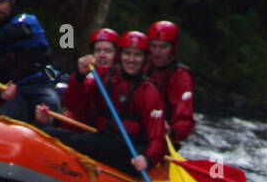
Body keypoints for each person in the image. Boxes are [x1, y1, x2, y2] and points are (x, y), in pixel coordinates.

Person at [50, 30, 165, 174]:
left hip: (128, 150)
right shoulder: (105, 75)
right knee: (48, 131)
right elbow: (74, 105)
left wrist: (148, 159)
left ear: (145, 59)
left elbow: (158, 138)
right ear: (120, 55)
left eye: (137, 55)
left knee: (79, 142)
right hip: (101, 137)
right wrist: (79, 76)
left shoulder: (149, 91)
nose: (131, 59)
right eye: (127, 53)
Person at [37, 28, 120, 128]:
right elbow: (72, 106)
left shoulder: (121, 79)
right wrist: (79, 76)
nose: (102, 55)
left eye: (108, 51)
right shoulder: (86, 78)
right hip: (87, 130)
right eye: (97, 50)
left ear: (116, 55)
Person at [145, 20, 194, 145]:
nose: (157, 52)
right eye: (153, 46)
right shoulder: (144, 66)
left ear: (172, 48)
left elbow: (186, 120)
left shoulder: (181, 77)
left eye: (163, 47)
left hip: (163, 139)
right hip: (140, 131)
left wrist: (171, 130)